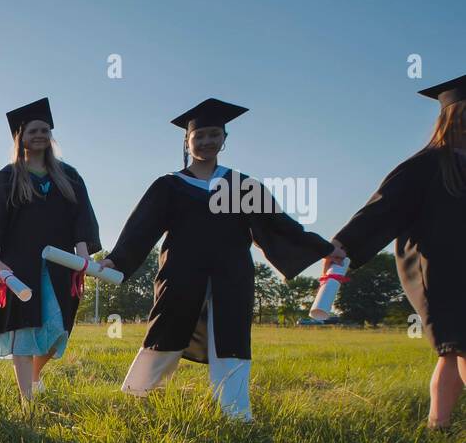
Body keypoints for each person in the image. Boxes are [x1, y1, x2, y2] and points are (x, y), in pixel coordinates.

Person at [100, 99, 345, 421]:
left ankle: (236, 413)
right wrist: (115, 261)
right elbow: (140, 229)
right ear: (187, 142)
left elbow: (279, 224)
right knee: (165, 332)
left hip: (232, 275)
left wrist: (324, 247)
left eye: (214, 135)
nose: (206, 141)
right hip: (180, 274)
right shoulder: (170, 186)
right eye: (199, 136)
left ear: (224, 139)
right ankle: (139, 396)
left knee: (232, 340)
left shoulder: (242, 185)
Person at [333, 74, 466, 430]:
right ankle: (439, 424)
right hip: (440, 270)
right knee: (458, 344)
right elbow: (382, 209)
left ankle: (439, 426)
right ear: (454, 116)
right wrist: (344, 246)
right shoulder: (427, 164)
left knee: (453, 350)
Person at [0, 98, 99, 401]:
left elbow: (82, 217)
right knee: (23, 332)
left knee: (57, 330)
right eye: (33, 130)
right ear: (20, 136)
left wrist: (84, 256)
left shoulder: (68, 175)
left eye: (45, 130)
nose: (39, 135)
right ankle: (27, 400)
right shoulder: (8, 177)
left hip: (61, 263)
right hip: (19, 264)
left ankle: (35, 375)